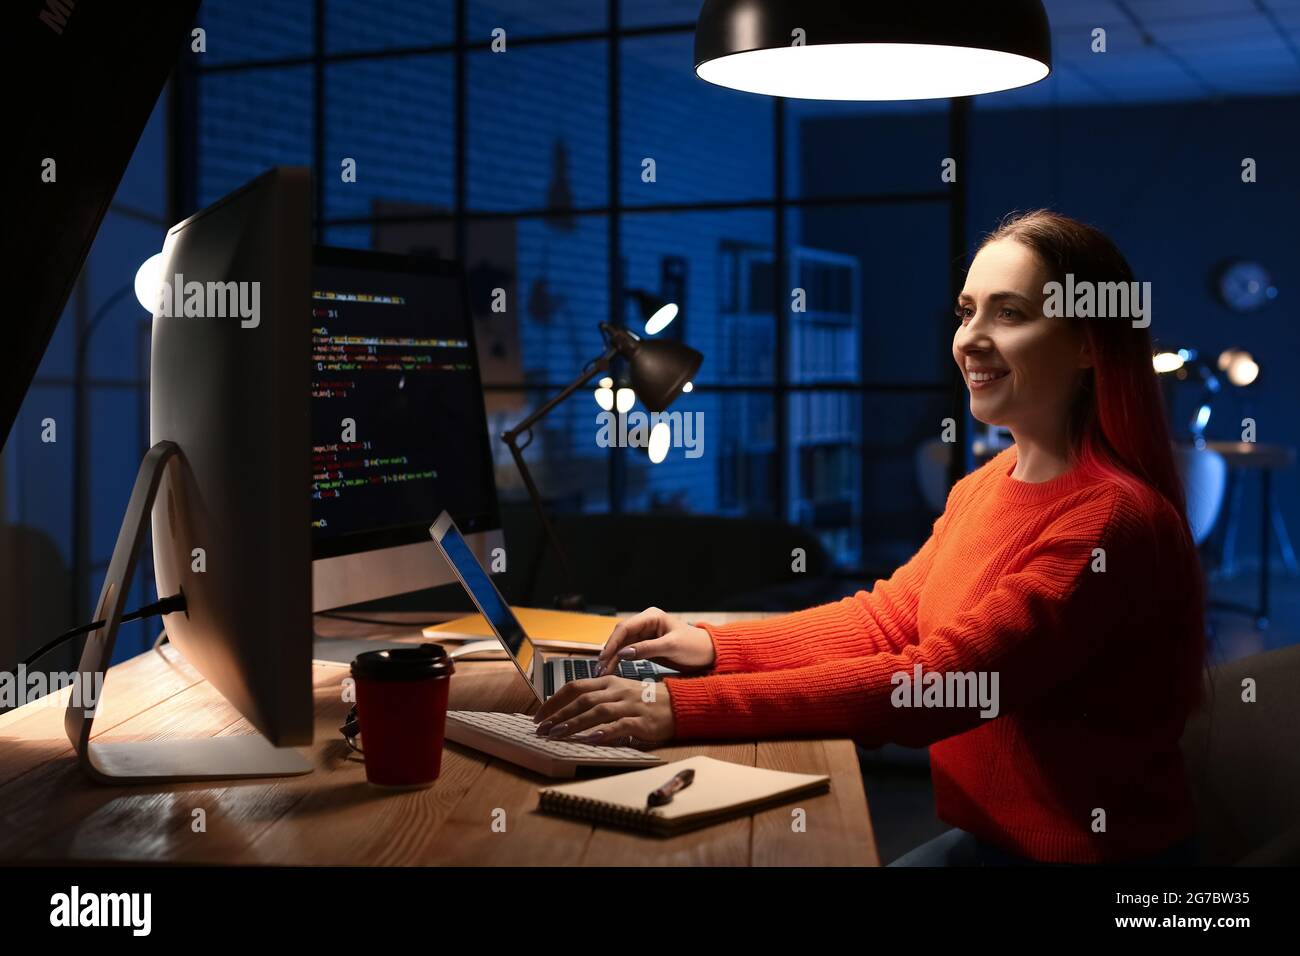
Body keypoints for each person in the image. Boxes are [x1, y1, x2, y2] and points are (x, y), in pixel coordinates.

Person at [531, 210, 1206, 865]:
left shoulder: (1111, 524)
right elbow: (888, 621)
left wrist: (677, 706)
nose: (970, 337)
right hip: (990, 842)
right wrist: (709, 645)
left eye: (1009, 314)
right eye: (966, 311)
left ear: (1089, 342)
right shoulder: (987, 483)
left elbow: (940, 684)